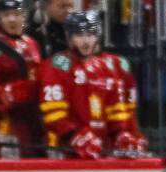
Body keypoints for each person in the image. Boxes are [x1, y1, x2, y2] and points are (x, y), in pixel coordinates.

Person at [39, 10, 145, 158]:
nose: (86, 41)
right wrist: (73, 136)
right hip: (64, 151)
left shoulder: (107, 68)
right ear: (70, 38)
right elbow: (53, 113)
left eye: (90, 34)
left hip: (99, 150)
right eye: (80, 35)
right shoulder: (58, 65)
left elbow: (116, 112)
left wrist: (121, 135)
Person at [0, 0, 43, 159]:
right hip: (5, 123)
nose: (12, 19)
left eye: (16, 14)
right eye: (6, 15)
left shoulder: (32, 44)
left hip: (32, 120)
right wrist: (5, 93)